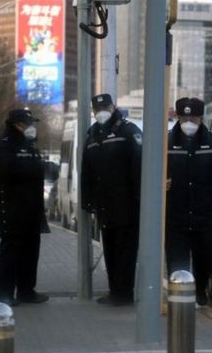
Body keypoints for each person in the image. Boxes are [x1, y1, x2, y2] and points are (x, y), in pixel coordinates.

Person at [166, 97, 212, 306]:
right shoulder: (167, 142)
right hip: (175, 212)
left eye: (192, 118)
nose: (188, 122)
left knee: (205, 255)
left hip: (203, 212)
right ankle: (179, 293)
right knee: (177, 257)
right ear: (178, 118)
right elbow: (154, 172)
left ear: (200, 118)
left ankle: (201, 288)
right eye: (184, 118)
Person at [81, 93, 142, 306]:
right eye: (97, 110)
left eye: (105, 108)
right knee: (110, 250)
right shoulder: (93, 135)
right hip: (104, 206)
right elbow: (86, 172)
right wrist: (87, 201)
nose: (101, 113)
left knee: (125, 251)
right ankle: (114, 290)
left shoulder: (128, 131)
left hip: (127, 205)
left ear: (113, 106)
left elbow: (139, 167)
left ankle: (124, 293)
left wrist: (139, 200)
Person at [0, 109, 50, 307]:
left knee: (31, 252)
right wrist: (32, 169)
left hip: (32, 210)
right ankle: (4, 294)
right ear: (18, 124)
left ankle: (26, 291)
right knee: (10, 253)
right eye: (29, 123)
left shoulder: (30, 146)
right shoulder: (4, 146)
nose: (33, 127)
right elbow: (6, 172)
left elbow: (39, 172)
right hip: (12, 210)